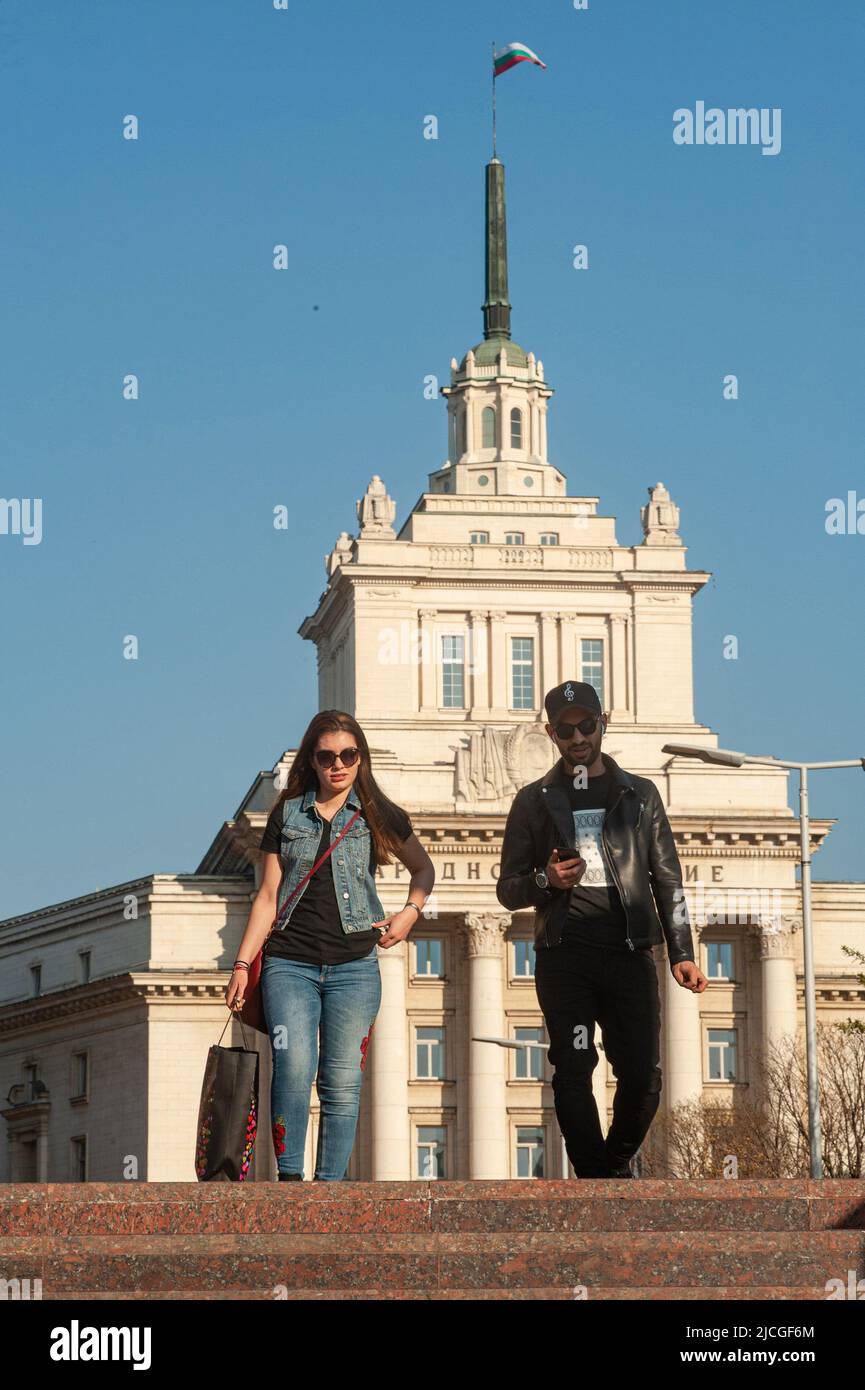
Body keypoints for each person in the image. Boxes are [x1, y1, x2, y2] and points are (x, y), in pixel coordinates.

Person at [497, 680, 707, 1178]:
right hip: (565, 954)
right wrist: (544, 880)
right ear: (552, 733)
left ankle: (610, 1166)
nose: (578, 737)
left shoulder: (639, 794)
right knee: (573, 1069)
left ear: (602, 722)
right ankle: (595, 1182)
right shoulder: (533, 801)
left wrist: (682, 950)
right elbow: (508, 889)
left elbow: (667, 877)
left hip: (629, 950)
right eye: (566, 729)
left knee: (641, 1076)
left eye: (586, 725)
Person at [226, 710, 435, 1181]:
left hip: (355, 967)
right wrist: (242, 964)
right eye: (327, 757)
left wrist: (410, 912)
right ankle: (290, 1180)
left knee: (342, 1082)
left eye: (348, 755)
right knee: (294, 1068)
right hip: (289, 965)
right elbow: (267, 896)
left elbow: (424, 869)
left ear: (360, 758)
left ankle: (329, 1189)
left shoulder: (377, 814)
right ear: (313, 761)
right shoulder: (288, 812)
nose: (337, 765)